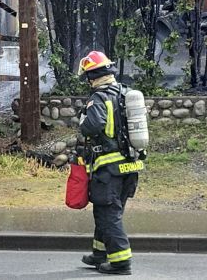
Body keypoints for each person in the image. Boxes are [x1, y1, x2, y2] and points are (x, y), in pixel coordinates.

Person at [77, 50, 144, 275]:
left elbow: (92, 126)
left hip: (109, 168)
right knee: (107, 211)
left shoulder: (99, 97)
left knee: (107, 213)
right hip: (130, 167)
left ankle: (121, 262)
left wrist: (82, 120)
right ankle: (99, 254)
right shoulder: (126, 93)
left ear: (92, 76)